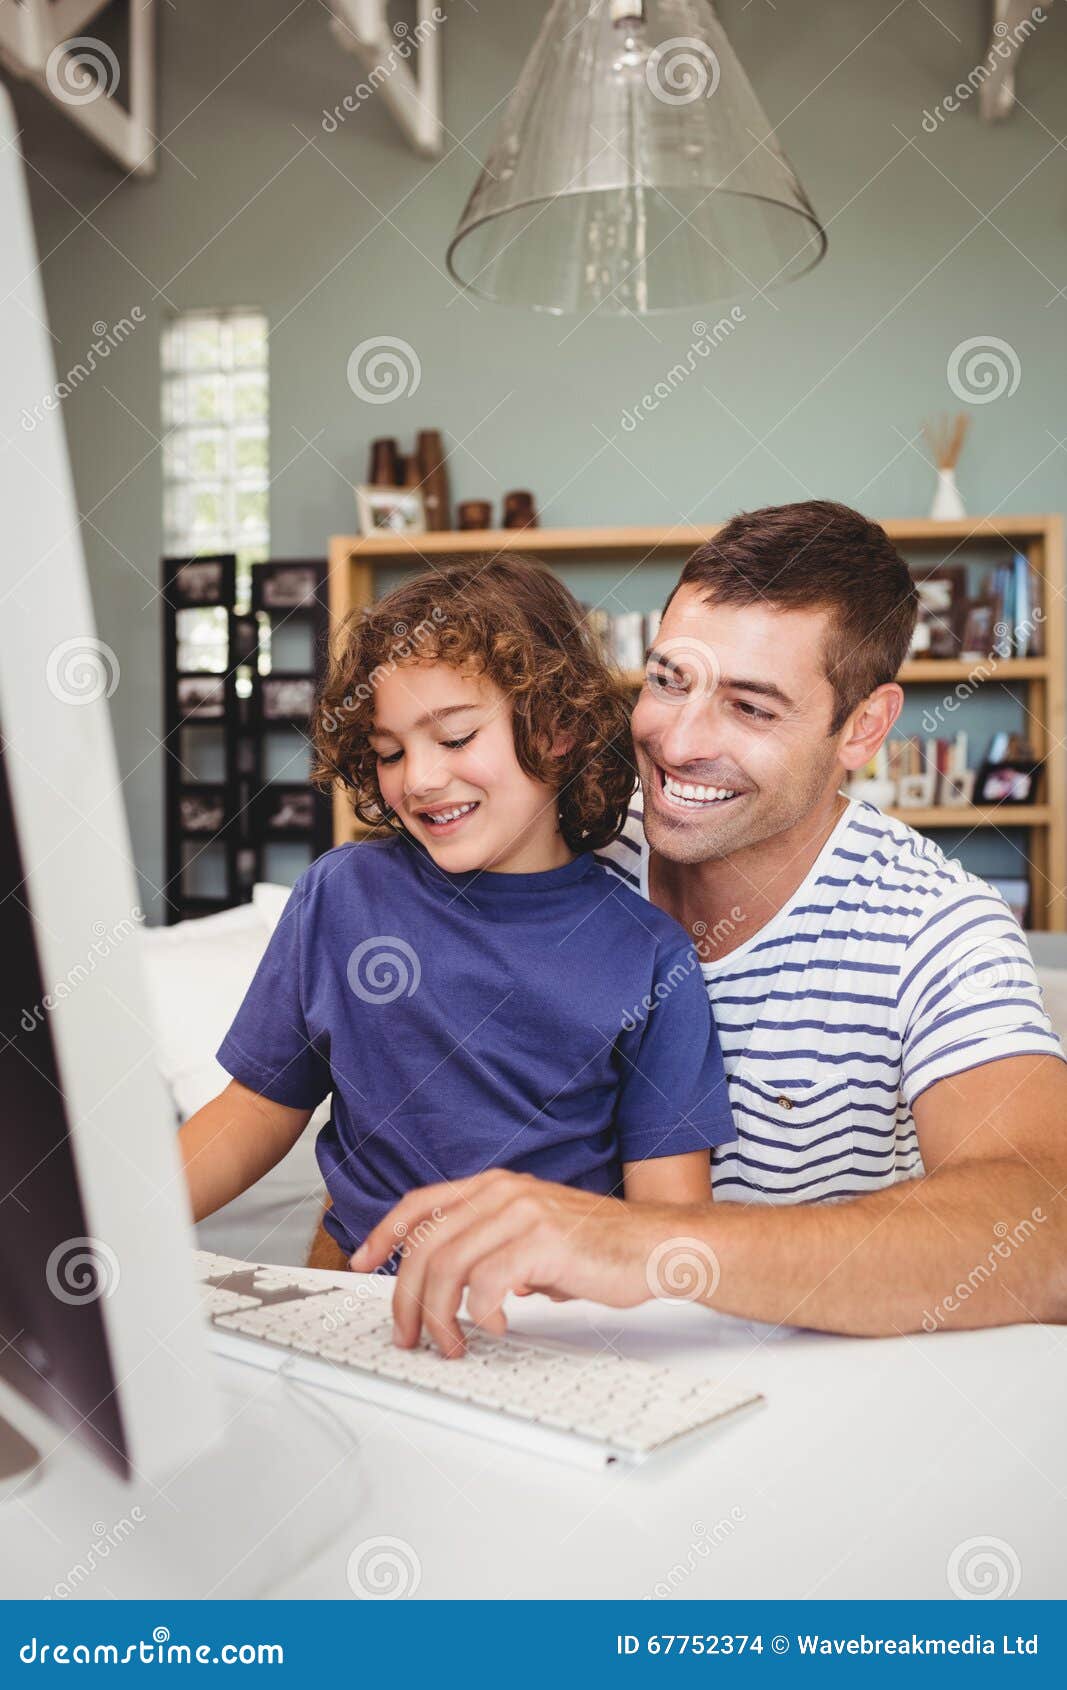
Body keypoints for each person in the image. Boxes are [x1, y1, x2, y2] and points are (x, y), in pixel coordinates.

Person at [351, 501, 1067, 1349]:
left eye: (752, 708)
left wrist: (647, 1245)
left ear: (863, 728)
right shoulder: (538, 839)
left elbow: (1045, 1226)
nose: (677, 742)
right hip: (522, 1369)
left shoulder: (936, 927)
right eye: (667, 680)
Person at [178, 555, 736, 1263]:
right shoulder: (342, 894)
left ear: (558, 729)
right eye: (388, 751)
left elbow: (671, 1216)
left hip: (548, 1323)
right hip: (351, 1301)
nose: (421, 779)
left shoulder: (650, 957)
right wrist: (112, 1220)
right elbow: (255, 1108)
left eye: (454, 737)